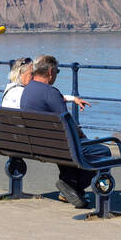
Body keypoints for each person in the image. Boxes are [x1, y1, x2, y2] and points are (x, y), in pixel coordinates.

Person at [19, 55, 104, 208]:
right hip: (55, 146)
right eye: (57, 71)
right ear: (50, 71)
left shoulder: (28, 89)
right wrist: (84, 137)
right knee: (102, 151)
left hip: (35, 144)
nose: (56, 75)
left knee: (66, 147)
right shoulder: (50, 92)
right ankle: (72, 187)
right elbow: (68, 124)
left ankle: (68, 187)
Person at [2, 56, 89, 111]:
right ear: (20, 73)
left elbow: (45, 97)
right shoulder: (23, 93)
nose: (34, 77)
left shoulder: (9, 89)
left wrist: (73, 98)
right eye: (32, 74)